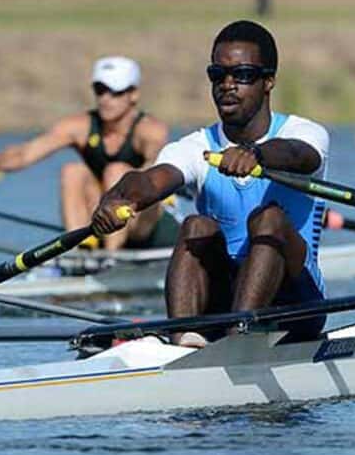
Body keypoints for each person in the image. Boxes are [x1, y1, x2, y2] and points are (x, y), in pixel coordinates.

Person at [91, 20, 329, 347]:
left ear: (268, 81)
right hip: (223, 299)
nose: (227, 84)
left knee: (269, 218)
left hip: (297, 305)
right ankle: (183, 341)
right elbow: (151, 180)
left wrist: (256, 154)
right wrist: (118, 197)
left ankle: (238, 339)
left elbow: (301, 155)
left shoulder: (305, 133)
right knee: (195, 226)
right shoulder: (196, 147)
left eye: (243, 74)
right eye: (218, 75)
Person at [0, 56, 176, 251]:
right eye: (100, 90)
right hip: (103, 219)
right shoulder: (80, 126)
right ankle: (80, 251)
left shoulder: (150, 130)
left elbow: (155, 168)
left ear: (133, 94)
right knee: (72, 171)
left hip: (143, 223)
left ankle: (111, 257)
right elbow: (26, 153)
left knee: (116, 171)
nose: (105, 99)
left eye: (115, 92)